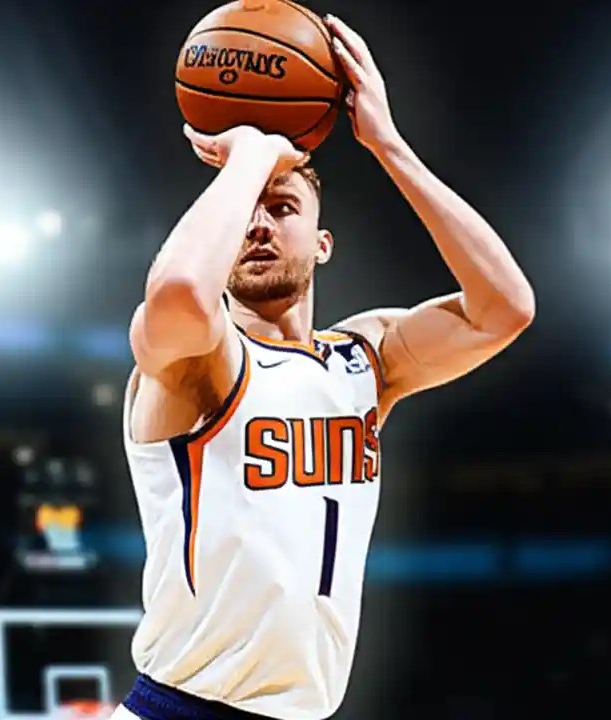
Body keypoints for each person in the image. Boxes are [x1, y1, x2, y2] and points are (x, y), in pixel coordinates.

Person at [113, 14, 535, 720]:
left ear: (324, 243)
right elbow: (183, 290)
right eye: (245, 212)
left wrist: (390, 146)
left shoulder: (364, 361)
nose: (257, 225)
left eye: (283, 208)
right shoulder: (199, 360)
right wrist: (250, 156)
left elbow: (504, 308)